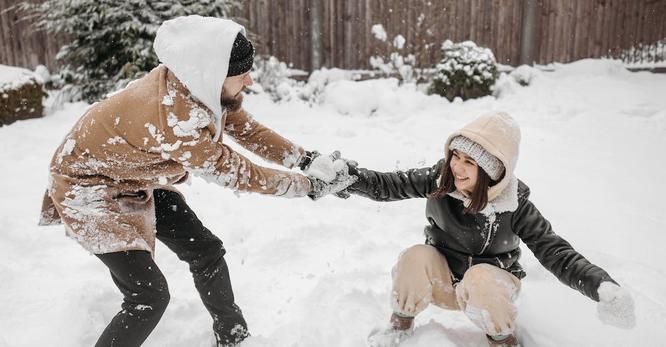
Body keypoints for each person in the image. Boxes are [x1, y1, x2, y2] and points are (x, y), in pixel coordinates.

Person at [38, 16, 354, 347]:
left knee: (206, 250)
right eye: (240, 73)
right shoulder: (175, 118)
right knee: (148, 295)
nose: (248, 80)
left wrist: (308, 160)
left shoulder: (195, 85)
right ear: (214, 73)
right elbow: (237, 172)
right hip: (85, 187)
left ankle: (234, 337)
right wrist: (310, 186)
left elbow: (248, 130)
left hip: (126, 176)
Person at [344, 112, 635, 347]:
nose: (457, 167)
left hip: (491, 295)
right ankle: (399, 325)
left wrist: (601, 286)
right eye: (455, 156)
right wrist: (344, 178)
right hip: (445, 283)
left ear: (492, 172)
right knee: (415, 256)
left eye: (469, 162)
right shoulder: (440, 179)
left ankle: (502, 341)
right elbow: (386, 185)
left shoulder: (515, 206)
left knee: (481, 277)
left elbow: (557, 253)